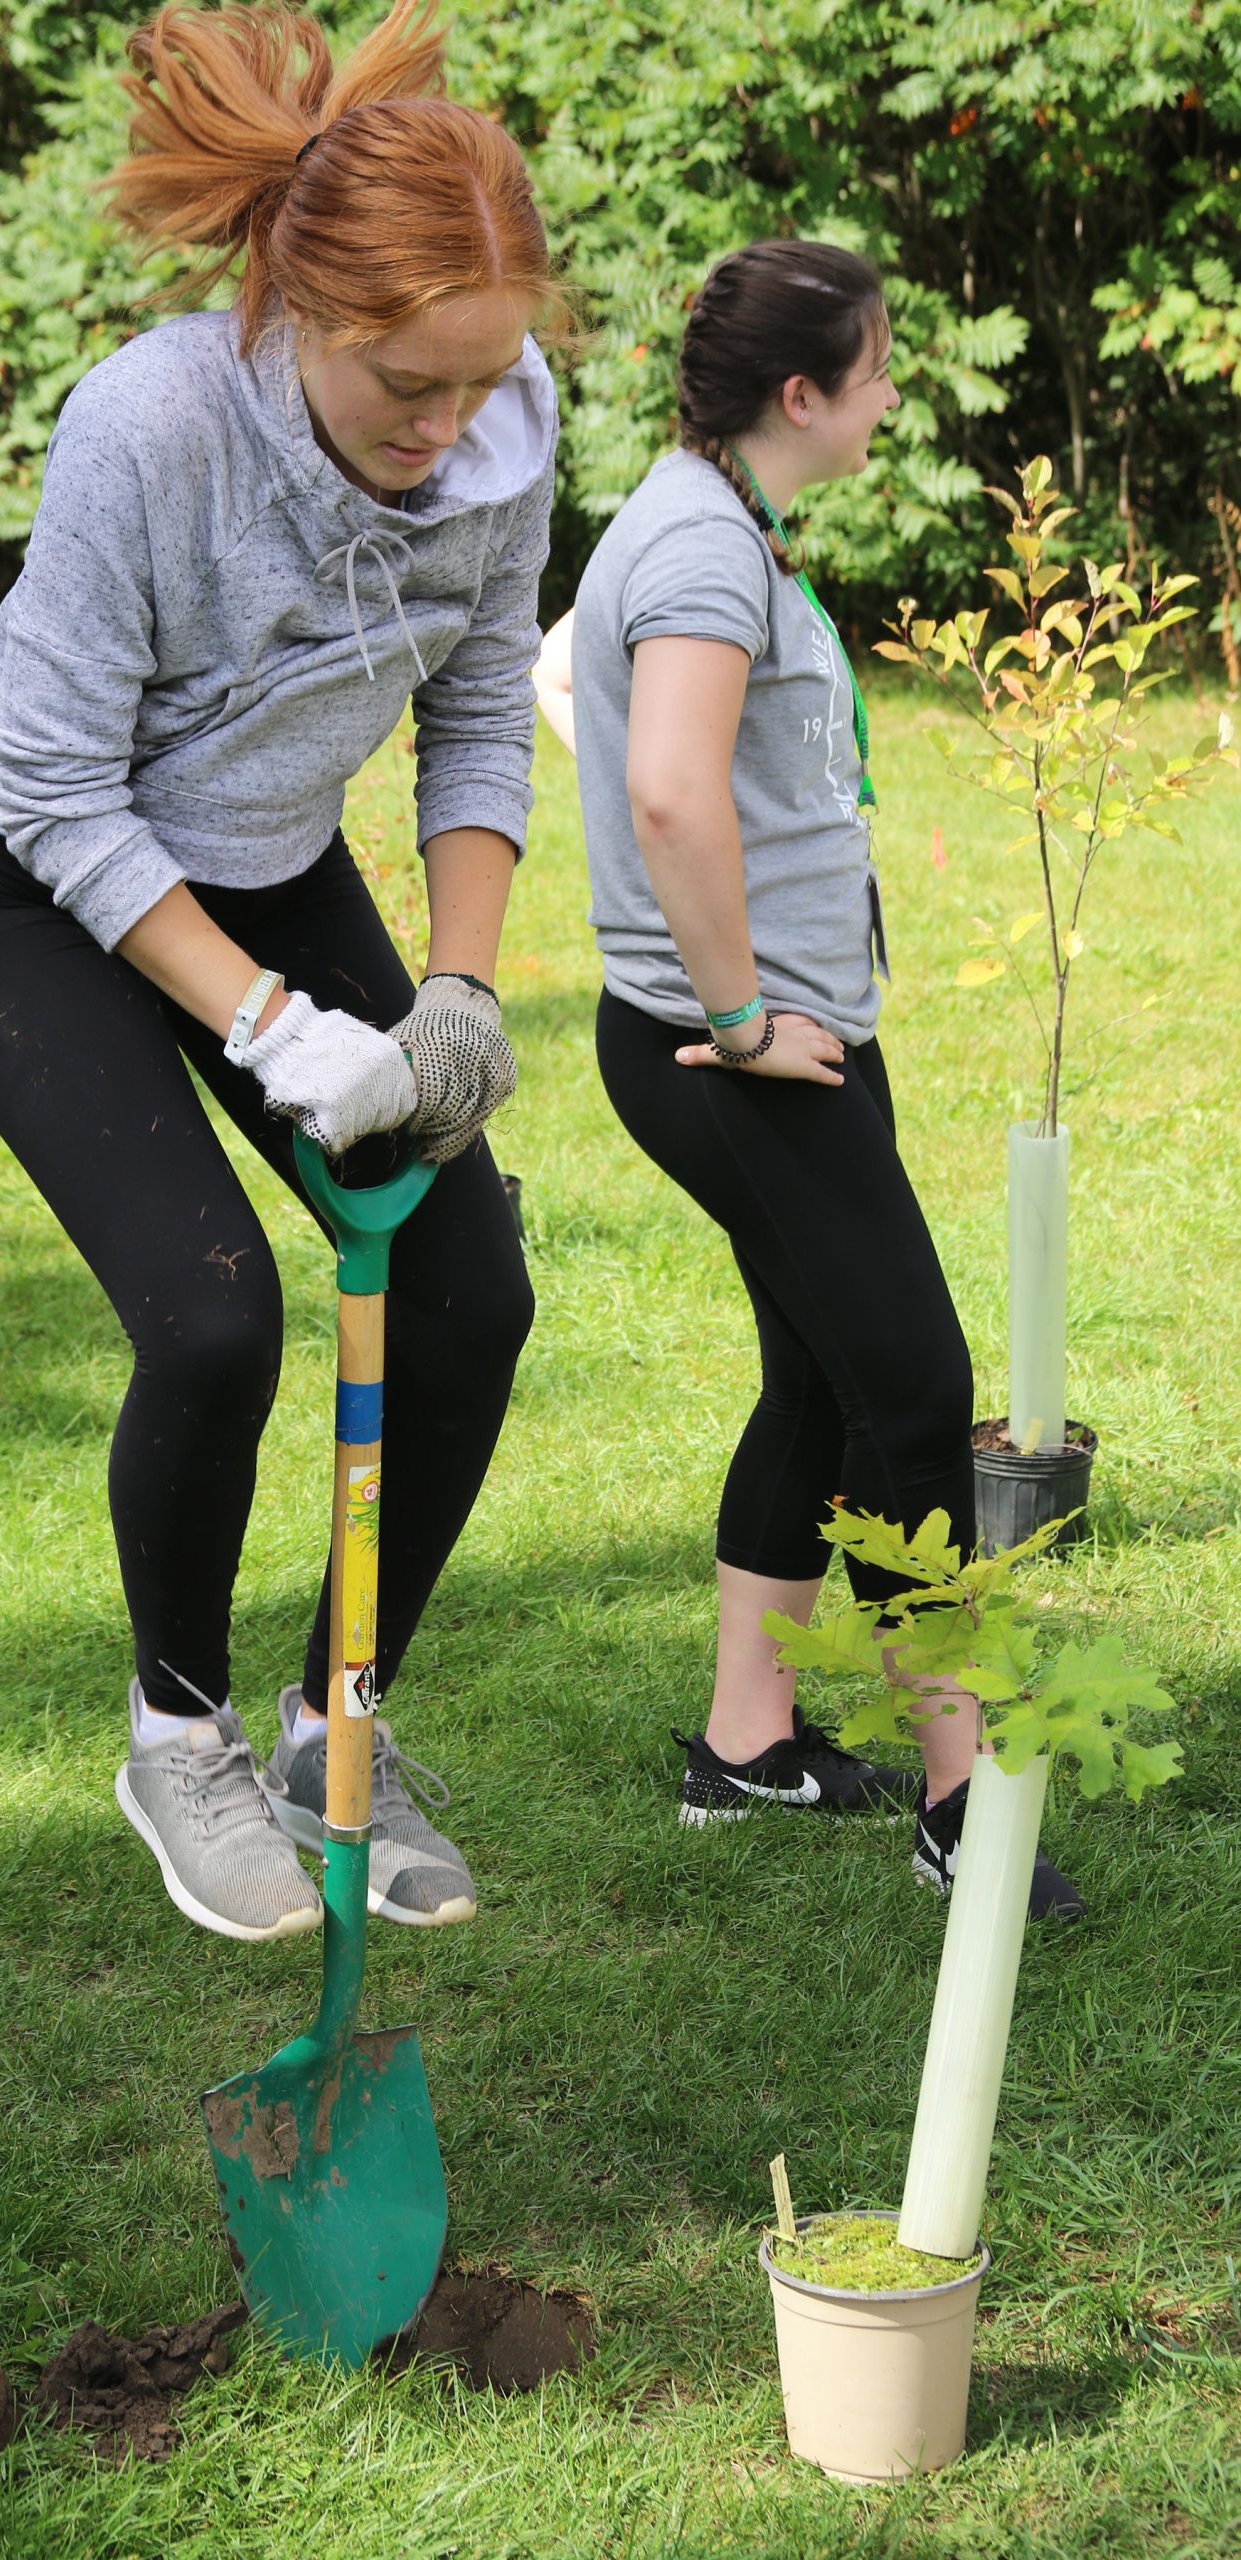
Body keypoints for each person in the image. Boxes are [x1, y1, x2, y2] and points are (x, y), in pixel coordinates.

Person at [0, 0, 564, 1942]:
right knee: (211, 1320)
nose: (443, 431)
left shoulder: (498, 433)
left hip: (273, 871)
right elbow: (46, 783)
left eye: (480, 382)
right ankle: (174, 1729)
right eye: (403, 388)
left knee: (466, 1294)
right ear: (294, 305)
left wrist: (450, 992)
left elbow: (474, 716)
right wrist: (275, 1031)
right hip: (34, 889)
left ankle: (330, 1724)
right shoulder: (151, 426)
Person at [564, 239, 1083, 1918]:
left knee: (819, 1377)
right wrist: (734, 1016)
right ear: (802, 395)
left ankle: (746, 1744)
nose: (887, 399)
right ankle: (961, 1803)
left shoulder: (694, 515)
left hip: (756, 1045)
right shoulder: (704, 554)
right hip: (740, 1058)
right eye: (873, 373)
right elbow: (665, 790)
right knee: (915, 1398)